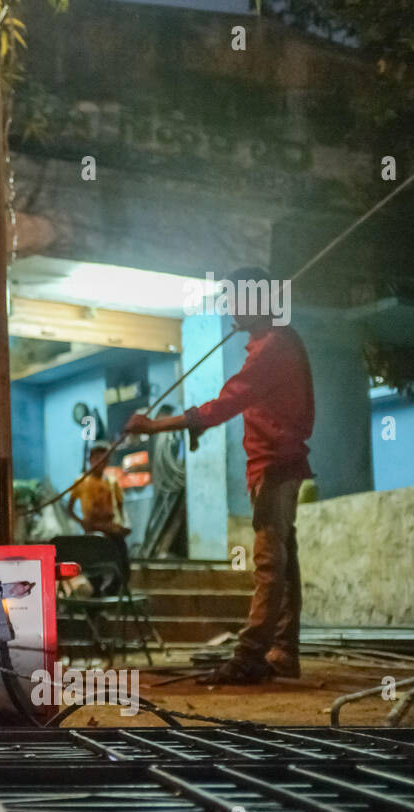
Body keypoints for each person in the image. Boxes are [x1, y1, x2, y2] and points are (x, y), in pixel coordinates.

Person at [126, 268, 313, 685]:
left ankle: (250, 656)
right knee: (283, 561)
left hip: (276, 465)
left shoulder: (273, 347)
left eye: (236, 299)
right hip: (275, 464)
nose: (230, 307)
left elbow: (223, 405)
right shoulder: (274, 342)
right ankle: (283, 652)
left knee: (269, 561)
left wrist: (153, 426)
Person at [67, 441, 132, 595]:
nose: (101, 463)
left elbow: (120, 506)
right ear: (91, 460)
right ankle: (96, 600)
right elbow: (69, 507)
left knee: (123, 565)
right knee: (93, 569)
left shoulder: (112, 482)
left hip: (110, 529)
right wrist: (81, 522)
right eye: (98, 459)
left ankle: (113, 592)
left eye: (104, 460)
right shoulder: (82, 482)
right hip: (92, 531)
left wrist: (122, 524)